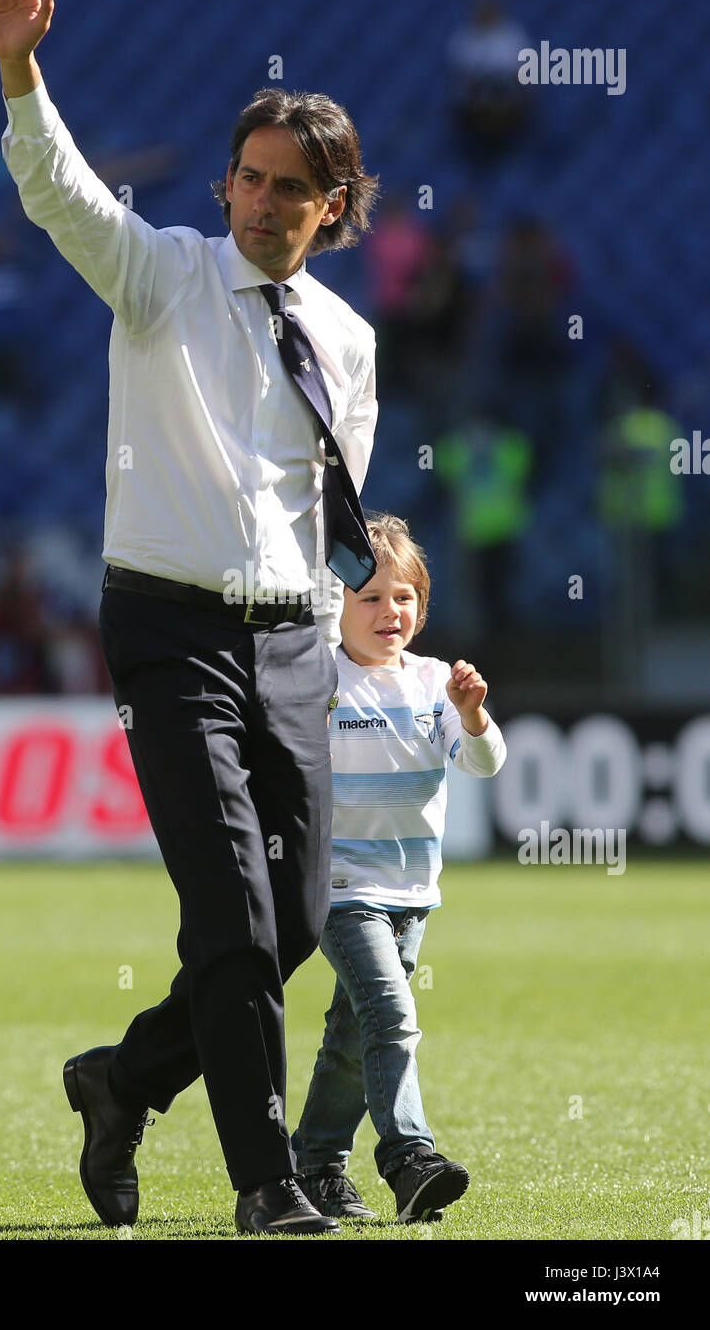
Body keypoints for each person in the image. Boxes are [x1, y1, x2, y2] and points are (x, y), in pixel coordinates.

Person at [0, 0, 381, 1235]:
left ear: (332, 206)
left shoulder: (348, 340)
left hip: (294, 640)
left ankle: (122, 1079)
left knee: (299, 922)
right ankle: (263, 1185)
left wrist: (334, 624)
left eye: (289, 188)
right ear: (224, 185)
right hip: (170, 626)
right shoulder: (159, 274)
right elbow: (57, 192)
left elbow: (329, 504)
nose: (261, 202)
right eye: (247, 177)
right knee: (231, 913)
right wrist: (19, 67)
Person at [291, 514, 507, 1224]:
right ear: (336, 606)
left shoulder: (436, 681)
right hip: (342, 890)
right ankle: (410, 1158)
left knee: (354, 1037)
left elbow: (481, 764)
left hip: (413, 895)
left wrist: (473, 718)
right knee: (390, 1012)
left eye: (405, 596)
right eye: (371, 597)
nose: (391, 611)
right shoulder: (318, 678)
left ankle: (316, 1167)